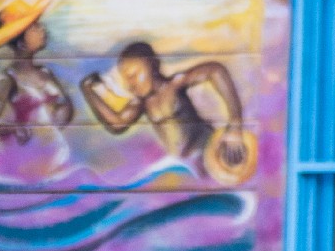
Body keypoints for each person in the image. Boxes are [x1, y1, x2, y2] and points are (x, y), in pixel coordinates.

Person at [80, 42, 256, 186]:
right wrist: (88, 90)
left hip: (207, 153)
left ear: (153, 66)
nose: (130, 84)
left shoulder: (174, 85)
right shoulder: (142, 104)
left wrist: (235, 124)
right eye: (126, 79)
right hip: (184, 166)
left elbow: (215, 71)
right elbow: (117, 123)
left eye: (134, 75)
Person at [0, 0, 75, 143]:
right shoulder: (7, 79)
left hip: (53, 154)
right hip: (22, 158)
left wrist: (60, 113)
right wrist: (16, 127)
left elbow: (64, 108)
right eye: (35, 27)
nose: (42, 29)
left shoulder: (46, 73)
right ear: (21, 43)